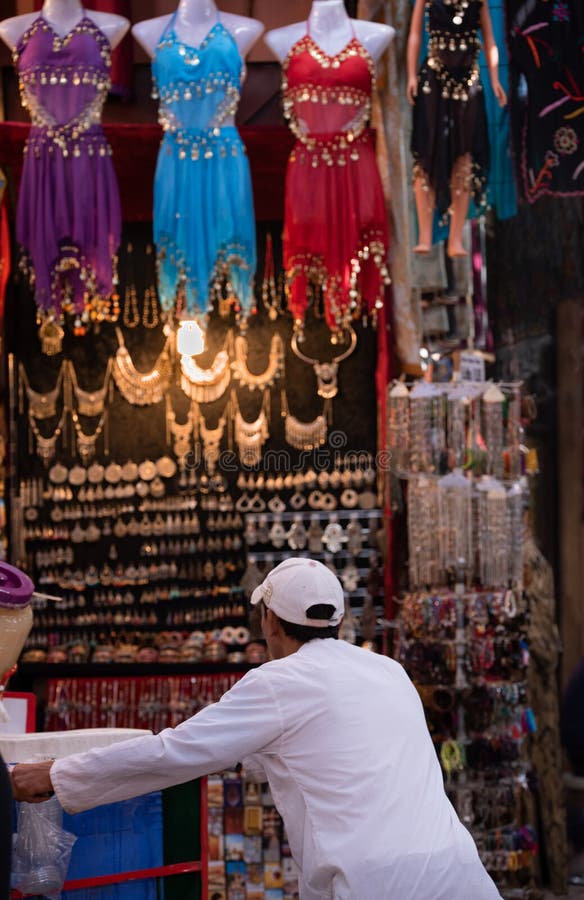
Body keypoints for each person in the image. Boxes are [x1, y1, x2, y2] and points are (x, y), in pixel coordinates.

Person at [11, 558, 502, 899]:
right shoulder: (387, 669)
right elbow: (321, 755)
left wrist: (56, 775)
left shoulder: (278, 682)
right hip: (458, 873)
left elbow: (175, 752)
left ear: (269, 620)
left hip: (373, 884)